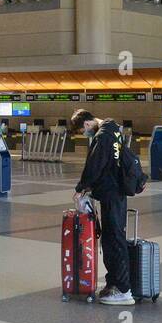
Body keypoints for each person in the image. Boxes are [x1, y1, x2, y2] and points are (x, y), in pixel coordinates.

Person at [70, 109, 133, 306]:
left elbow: (95, 164)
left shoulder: (103, 136)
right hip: (115, 192)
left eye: (83, 130)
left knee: (114, 239)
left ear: (87, 124)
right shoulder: (113, 130)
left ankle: (123, 290)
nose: (85, 134)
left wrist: (81, 188)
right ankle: (114, 283)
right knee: (112, 237)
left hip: (111, 193)